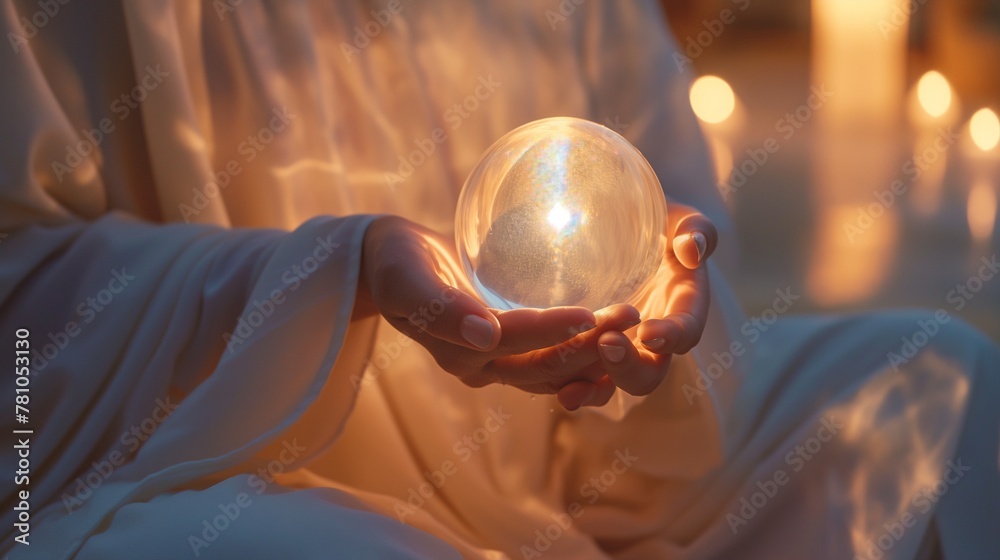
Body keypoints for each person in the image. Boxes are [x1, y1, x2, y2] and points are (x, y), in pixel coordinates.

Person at [1, 1, 997, 558]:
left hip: (568, 457)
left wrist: (670, 308)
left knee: (940, 383)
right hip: (220, 476)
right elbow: (21, 300)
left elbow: (680, 216)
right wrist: (330, 276)